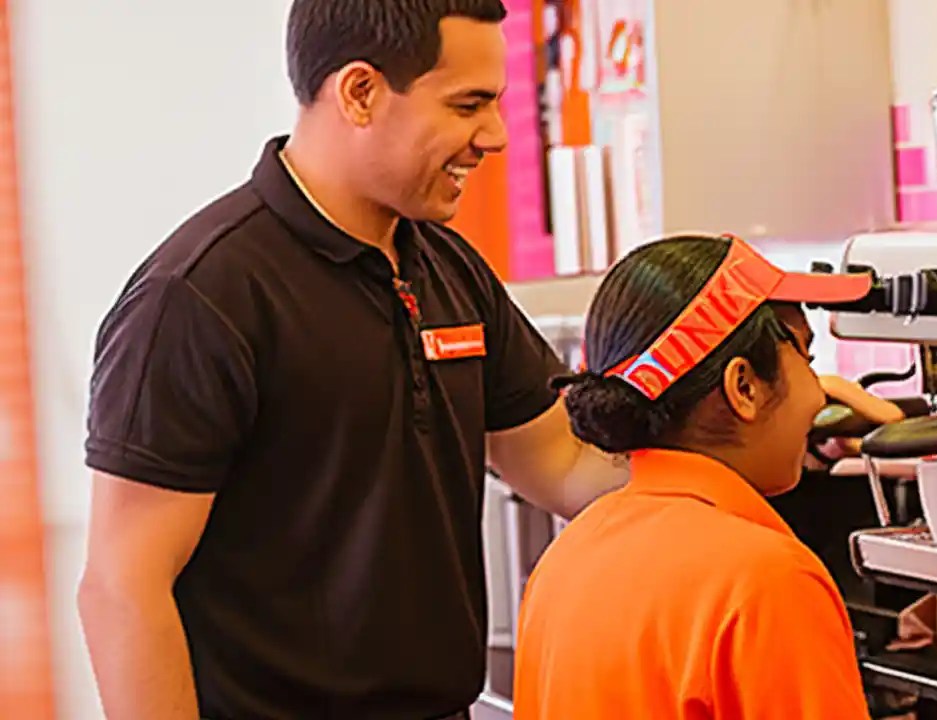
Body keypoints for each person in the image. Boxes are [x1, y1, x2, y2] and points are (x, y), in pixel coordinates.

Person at [76, 2, 630, 718]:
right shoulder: (199, 298)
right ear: (360, 92)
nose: (492, 137)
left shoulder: (447, 269)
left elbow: (564, 465)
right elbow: (122, 590)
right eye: (469, 105)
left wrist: (742, 447)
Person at [513, 234, 892, 720]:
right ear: (743, 387)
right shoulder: (768, 583)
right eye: (807, 360)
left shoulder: (566, 557)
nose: (821, 398)